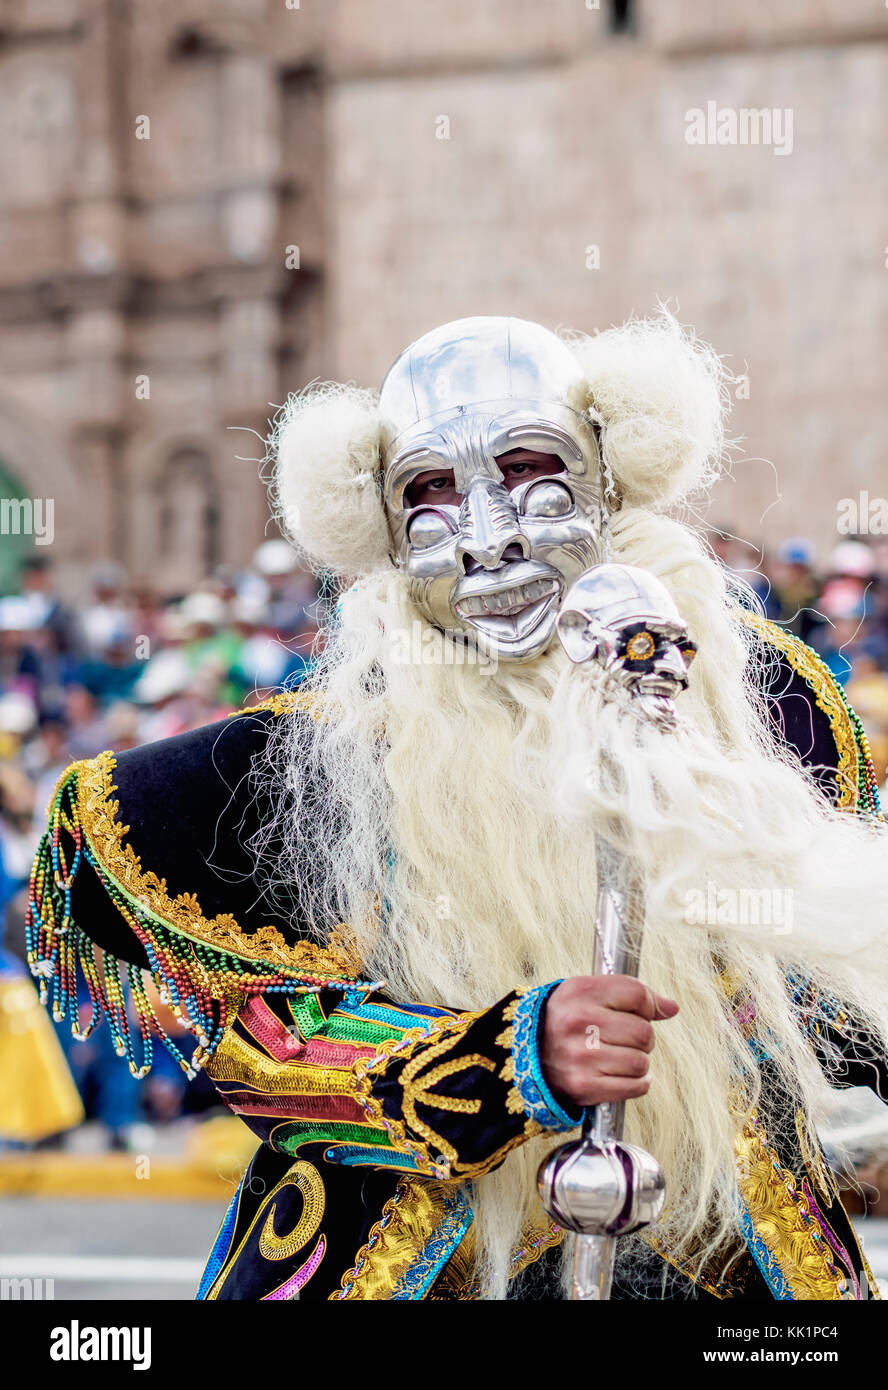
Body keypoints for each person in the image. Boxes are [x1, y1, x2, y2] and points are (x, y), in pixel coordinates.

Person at [27, 313, 888, 1301]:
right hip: (423, 1263)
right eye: (432, 491)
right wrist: (512, 1057)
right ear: (386, 525)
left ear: (607, 471)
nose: (490, 535)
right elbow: (265, 1060)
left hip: (729, 1254)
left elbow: (820, 996)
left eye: (529, 467)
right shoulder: (308, 770)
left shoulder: (764, 707)